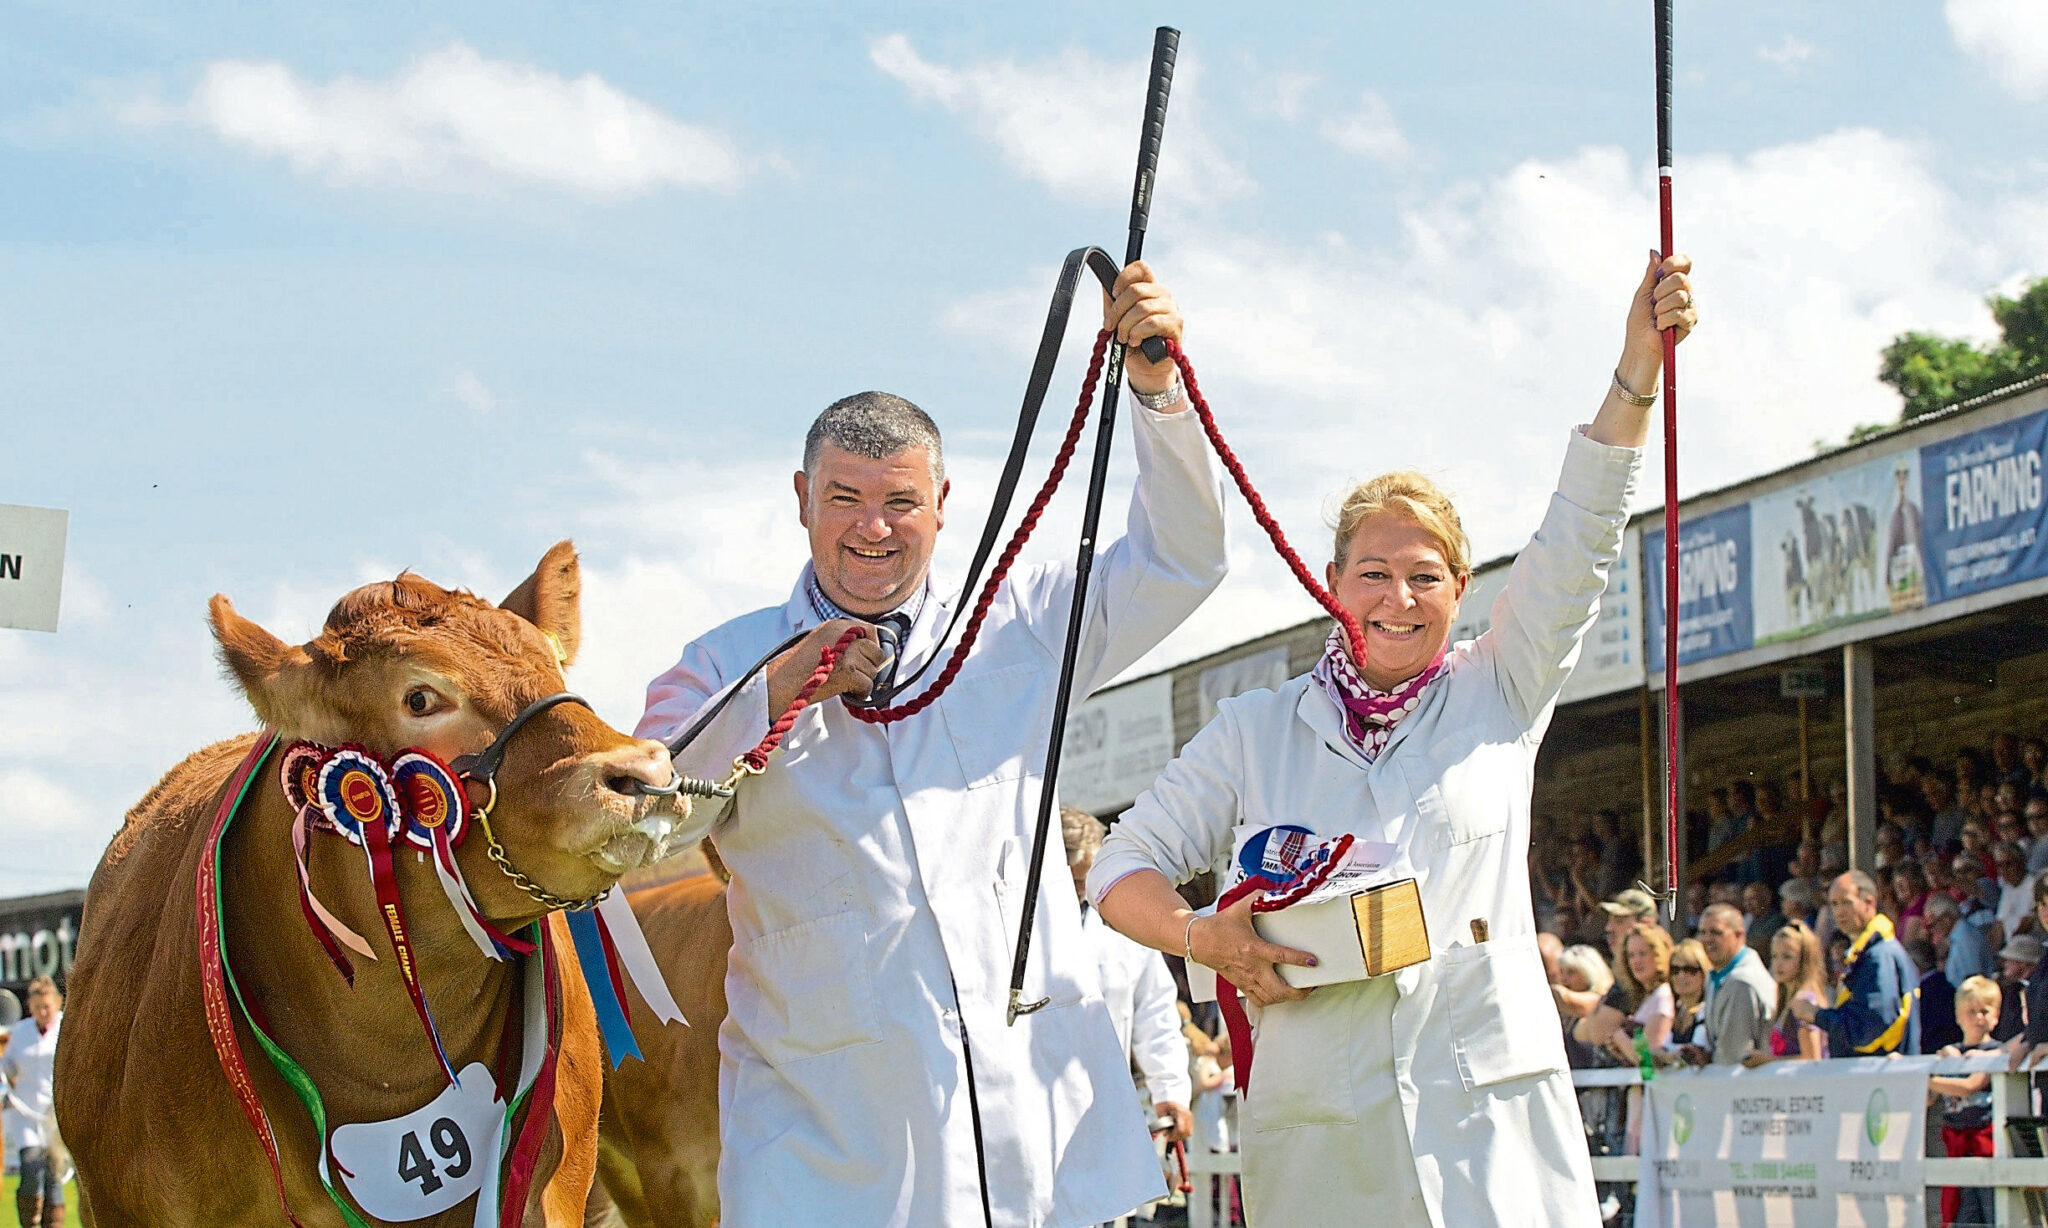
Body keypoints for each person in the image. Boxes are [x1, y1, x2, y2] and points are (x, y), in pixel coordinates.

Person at [1086, 254, 1698, 1224]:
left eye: (1425, 574)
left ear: (1462, 589)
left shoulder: (1503, 684)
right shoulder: (1254, 731)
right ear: (1332, 582)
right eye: (1372, 572)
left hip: (1487, 1140)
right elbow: (1119, 867)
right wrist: (1203, 936)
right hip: (1321, 1148)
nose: (1397, 598)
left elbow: (1579, 534)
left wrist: (1636, 373)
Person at [638, 262, 1226, 1228]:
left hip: (1041, 1133)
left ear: (945, 502)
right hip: (833, 1153)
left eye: (900, 501)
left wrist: (1158, 392)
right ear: (800, 497)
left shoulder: (1020, 623)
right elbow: (644, 828)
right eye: (844, 498)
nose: (873, 528)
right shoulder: (720, 664)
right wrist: (773, 695)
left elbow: (1182, 561)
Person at [1062, 808, 1194, 1149]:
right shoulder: (1013, 938)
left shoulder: (1123, 940)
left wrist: (1170, 1090)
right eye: (1075, 881)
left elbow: (1156, 1016)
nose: (1083, 891)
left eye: (1088, 880)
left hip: (1104, 1109)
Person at [1793, 871, 1920, 1057]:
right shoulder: (1867, 953)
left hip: (1880, 1078)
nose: (1839, 912)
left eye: (1846, 902)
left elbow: (1868, 1028)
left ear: (1869, 902)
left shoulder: (1880, 956)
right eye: (1834, 904)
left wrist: (1816, 1015)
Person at [1930, 976, 2004, 1228]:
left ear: (1996, 1015)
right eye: (1970, 1011)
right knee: (1961, 1215)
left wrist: (1927, 1078)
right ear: (1958, 1016)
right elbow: (1930, 1099)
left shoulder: (1996, 1052)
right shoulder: (1950, 1053)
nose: (1978, 1017)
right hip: (1958, 1145)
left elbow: (1970, 1086)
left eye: (1985, 1010)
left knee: (1994, 1212)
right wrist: (1939, 1065)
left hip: (1987, 1146)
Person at [3, 976, 63, 1228]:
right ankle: (30, 1223)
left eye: (47, 1006)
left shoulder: (67, 1029)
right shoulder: (19, 1033)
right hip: (26, 1114)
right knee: (30, 1166)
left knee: (53, 1176)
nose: (42, 1012)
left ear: (58, 1003)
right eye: (37, 1006)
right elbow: (5, 1067)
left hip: (56, 1116)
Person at [1683, 903, 1775, 1066]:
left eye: (1716, 933)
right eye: (1703, 932)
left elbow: (1734, 1057)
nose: (1707, 939)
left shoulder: (1742, 981)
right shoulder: (1716, 976)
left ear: (1739, 935)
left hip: (1748, 1086)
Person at [1744, 921, 1827, 1064]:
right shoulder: (1787, 1001)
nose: (1778, 964)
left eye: (1787, 956)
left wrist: (1766, 1061)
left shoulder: (1806, 1001)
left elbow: (1812, 1059)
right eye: (1774, 956)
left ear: (1804, 960)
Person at [1604, 924, 1674, 1066]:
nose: (1636, 961)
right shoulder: (1647, 996)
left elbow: (1648, 1062)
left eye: (1643, 954)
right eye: (1631, 955)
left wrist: (1619, 1036)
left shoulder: (1663, 995)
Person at [1667, 937, 1711, 1051]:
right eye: (1675, 970)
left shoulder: (1708, 1011)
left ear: (1704, 972)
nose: (1681, 976)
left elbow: (1695, 1054)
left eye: (1689, 970)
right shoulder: (1678, 1011)